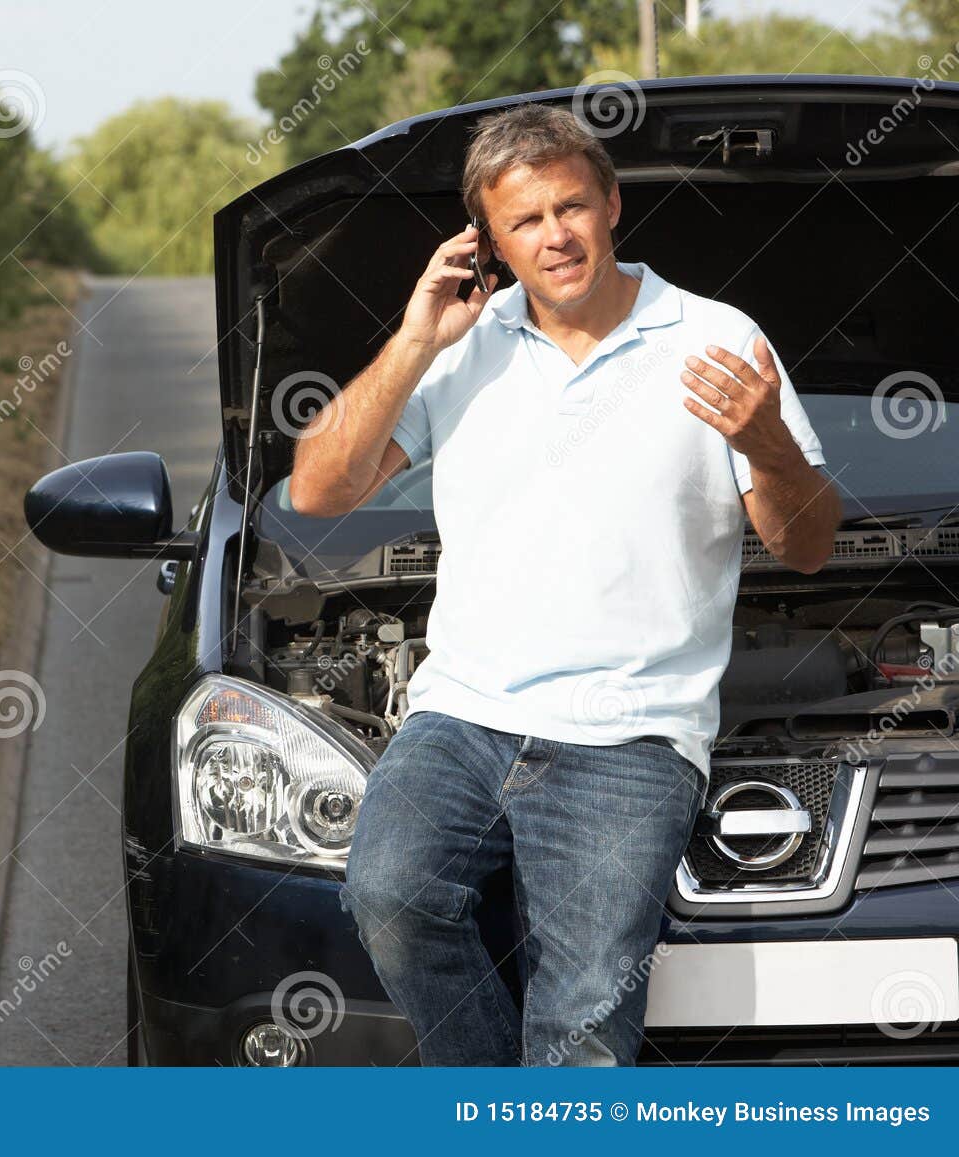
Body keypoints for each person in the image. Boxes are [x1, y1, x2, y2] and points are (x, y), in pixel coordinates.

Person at [288, 102, 841, 1065]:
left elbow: (808, 548)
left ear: (611, 203)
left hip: (631, 733)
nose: (556, 236)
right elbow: (316, 490)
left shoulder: (717, 338)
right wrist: (416, 338)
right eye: (526, 220)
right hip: (462, 715)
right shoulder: (461, 344)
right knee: (389, 895)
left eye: (572, 206)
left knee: (583, 1029)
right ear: (488, 241)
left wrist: (770, 447)